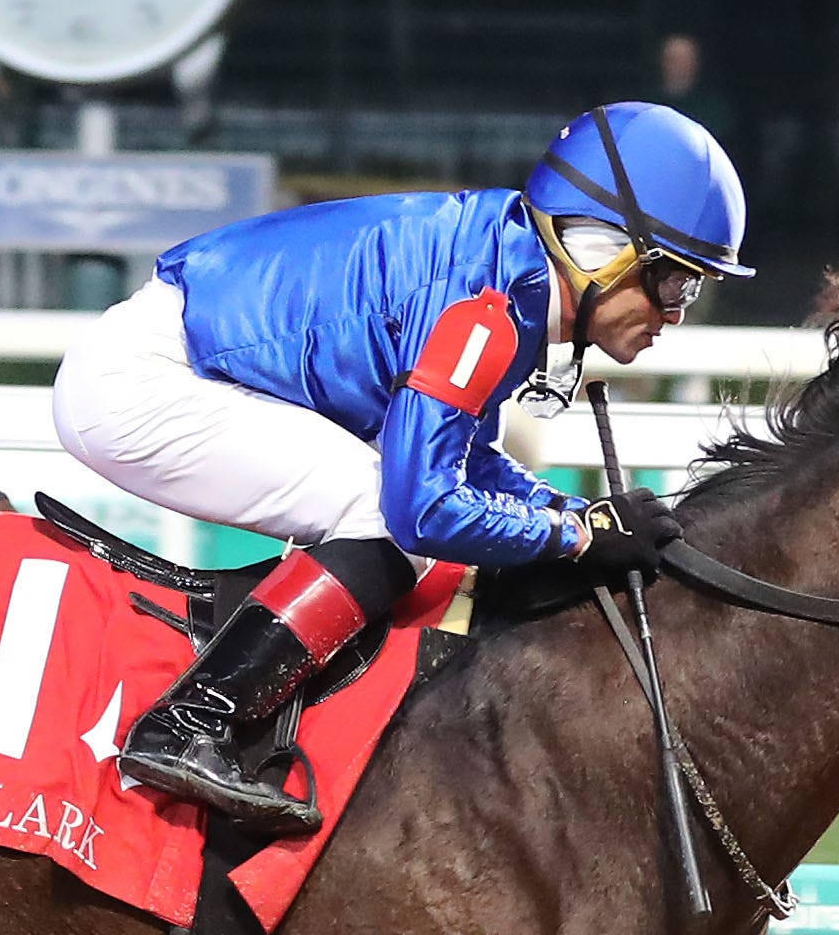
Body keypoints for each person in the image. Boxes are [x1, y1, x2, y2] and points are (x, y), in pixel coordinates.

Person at [50, 101, 750, 839]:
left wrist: (572, 515)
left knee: (383, 510)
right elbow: (426, 507)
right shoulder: (484, 308)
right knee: (385, 520)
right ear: (602, 249)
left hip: (165, 362)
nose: (675, 315)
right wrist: (572, 539)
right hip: (145, 383)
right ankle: (187, 726)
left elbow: (465, 457)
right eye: (674, 284)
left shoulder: (501, 270)